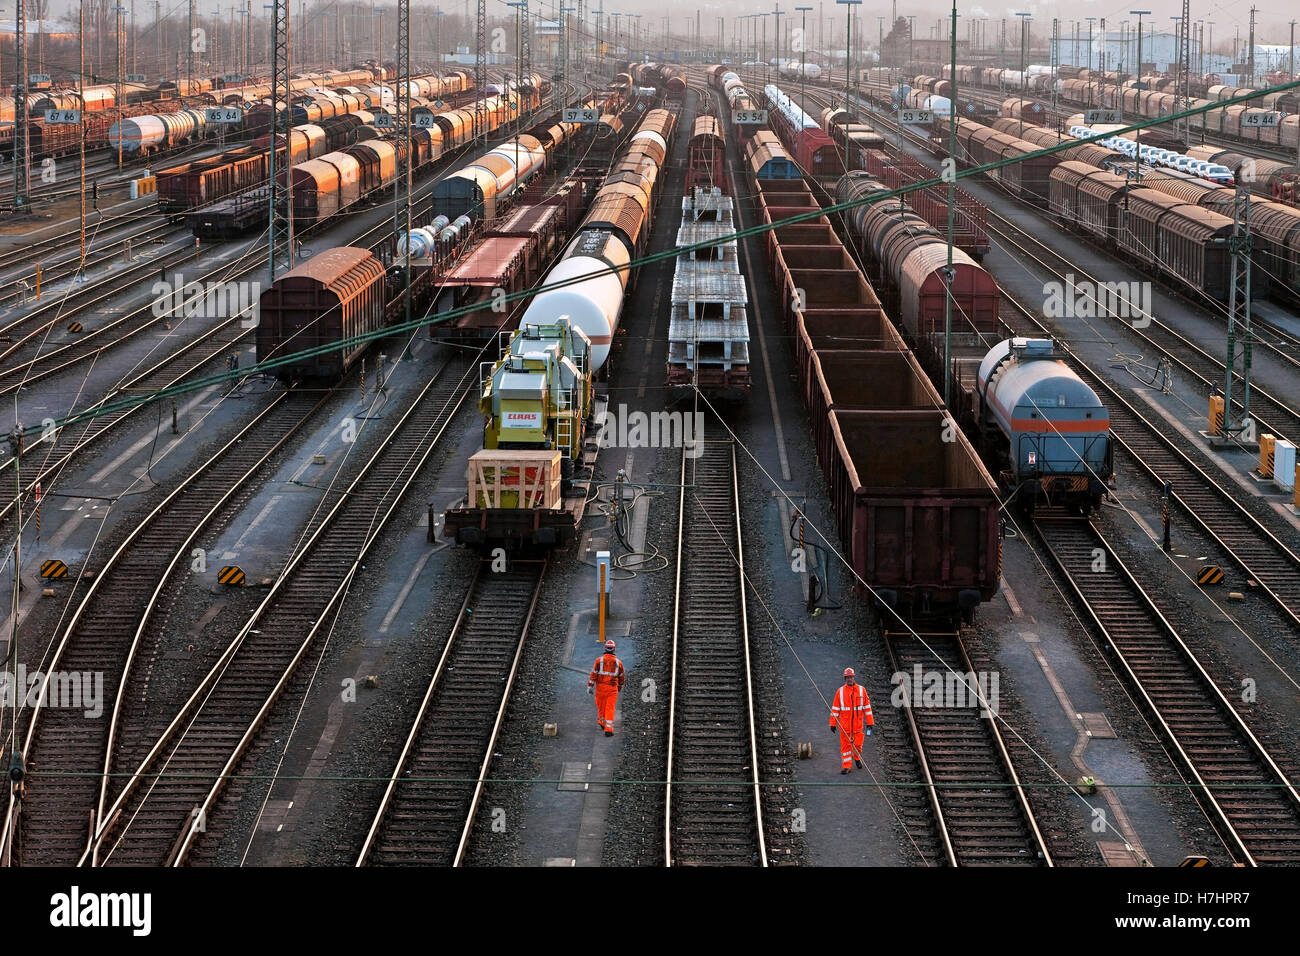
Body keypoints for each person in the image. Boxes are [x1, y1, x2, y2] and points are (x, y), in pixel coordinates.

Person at [830, 667, 873, 774]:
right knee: (845, 748)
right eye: (847, 677)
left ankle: (857, 758)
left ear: (854, 677)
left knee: (857, 746)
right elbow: (835, 709)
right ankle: (846, 766)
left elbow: (867, 708)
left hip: (857, 727)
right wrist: (832, 723)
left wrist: (870, 723)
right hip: (845, 727)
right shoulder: (840, 692)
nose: (849, 679)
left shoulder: (862, 690)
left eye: (851, 677)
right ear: (845, 678)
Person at [587, 639, 626, 737]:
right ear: (614, 649)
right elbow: (621, 677)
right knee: (610, 708)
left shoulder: (599, 661)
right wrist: (620, 686)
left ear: (605, 648)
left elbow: (593, 675)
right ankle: (608, 729)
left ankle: (602, 722)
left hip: (600, 688)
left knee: (601, 706)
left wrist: (590, 686)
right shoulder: (618, 663)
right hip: (612, 689)